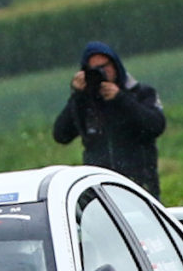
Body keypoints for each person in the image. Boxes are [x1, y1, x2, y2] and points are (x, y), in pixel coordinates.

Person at [53, 41, 166, 197]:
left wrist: (121, 99)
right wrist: (77, 96)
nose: (101, 72)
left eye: (104, 67)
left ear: (116, 66)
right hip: (101, 192)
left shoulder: (141, 93)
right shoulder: (86, 102)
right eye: (94, 70)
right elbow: (61, 135)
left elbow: (156, 125)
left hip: (139, 185)